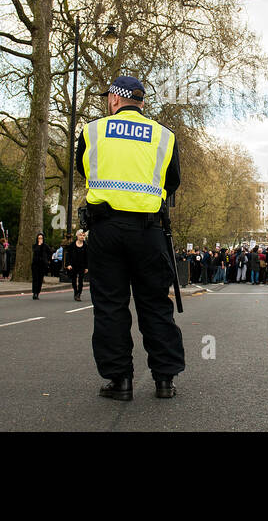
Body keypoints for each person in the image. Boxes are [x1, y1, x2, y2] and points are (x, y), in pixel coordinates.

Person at [76, 75, 183, 400]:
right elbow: (173, 180)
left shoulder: (93, 131)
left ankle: (120, 380)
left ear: (114, 100)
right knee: (154, 303)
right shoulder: (164, 136)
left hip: (106, 229)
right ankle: (165, 380)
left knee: (110, 305)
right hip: (148, 231)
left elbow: (84, 170)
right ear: (141, 102)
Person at [64, 228, 88, 301]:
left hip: (82, 265)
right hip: (73, 265)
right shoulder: (72, 245)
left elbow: (87, 257)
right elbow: (68, 255)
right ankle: (75, 292)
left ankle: (79, 294)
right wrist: (68, 264)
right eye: (80, 235)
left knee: (81, 280)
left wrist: (87, 267)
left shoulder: (86, 246)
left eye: (83, 235)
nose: (82, 237)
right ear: (77, 236)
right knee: (74, 280)